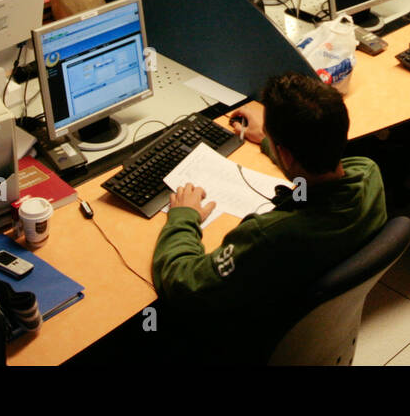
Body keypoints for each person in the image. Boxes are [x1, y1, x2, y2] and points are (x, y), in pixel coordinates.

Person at [152, 71, 387, 362]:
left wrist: (183, 217)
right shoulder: (368, 174)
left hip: (248, 339)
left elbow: (182, 284)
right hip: (310, 335)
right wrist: (269, 141)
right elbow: (314, 170)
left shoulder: (269, 237)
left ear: (286, 155)